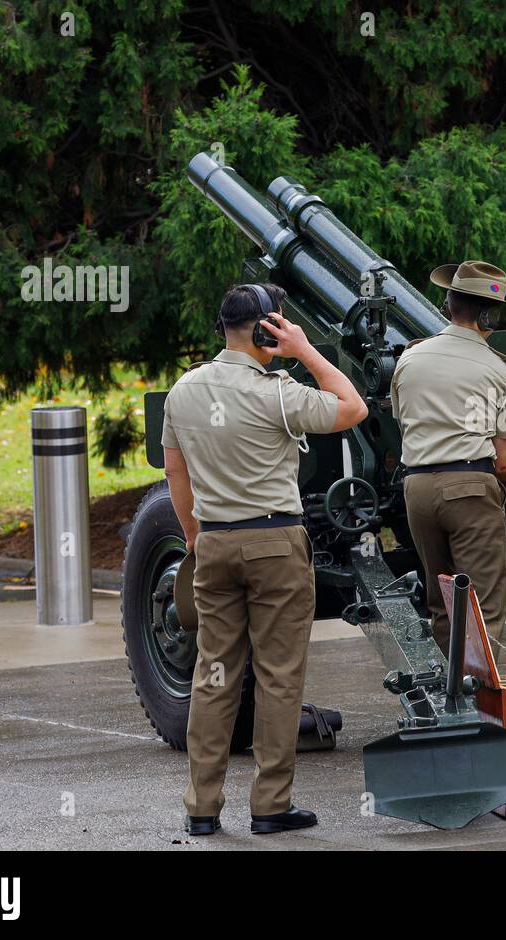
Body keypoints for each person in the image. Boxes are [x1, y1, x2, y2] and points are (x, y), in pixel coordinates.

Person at [162, 282, 367, 833]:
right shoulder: (278, 392)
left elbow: (175, 473)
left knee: (214, 672)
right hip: (275, 545)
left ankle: (202, 808)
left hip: (216, 545)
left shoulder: (182, 392)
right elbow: (352, 406)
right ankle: (270, 806)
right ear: (265, 329)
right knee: (278, 676)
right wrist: (304, 350)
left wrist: (195, 537)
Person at [390, 260, 506, 653]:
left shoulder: (409, 359)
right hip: (470, 491)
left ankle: (447, 700)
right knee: (481, 606)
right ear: (491, 313)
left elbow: (402, 420)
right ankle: (481, 704)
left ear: (447, 303)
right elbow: (504, 461)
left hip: (417, 489)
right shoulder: (497, 368)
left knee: (443, 603)